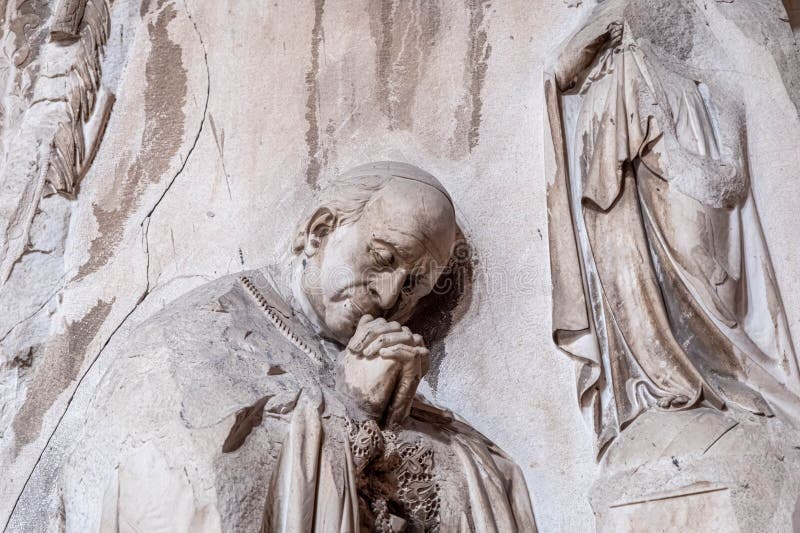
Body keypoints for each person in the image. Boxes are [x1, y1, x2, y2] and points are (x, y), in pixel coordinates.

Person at [57, 161, 536, 532]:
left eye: (414, 286)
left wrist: (394, 418)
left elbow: (483, 479)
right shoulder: (197, 336)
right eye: (383, 258)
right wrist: (350, 409)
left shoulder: (379, 358)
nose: (391, 297)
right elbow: (197, 484)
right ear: (319, 230)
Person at [545, 0, 800, 454]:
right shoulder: (609, 12)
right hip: (611, 132)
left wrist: (724, 157)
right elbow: (561, 72)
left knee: (698, 258)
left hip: (681, 125)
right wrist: (605, 30)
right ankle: (663, 378)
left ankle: (738, 376)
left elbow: (721, 72)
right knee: (627, 271)